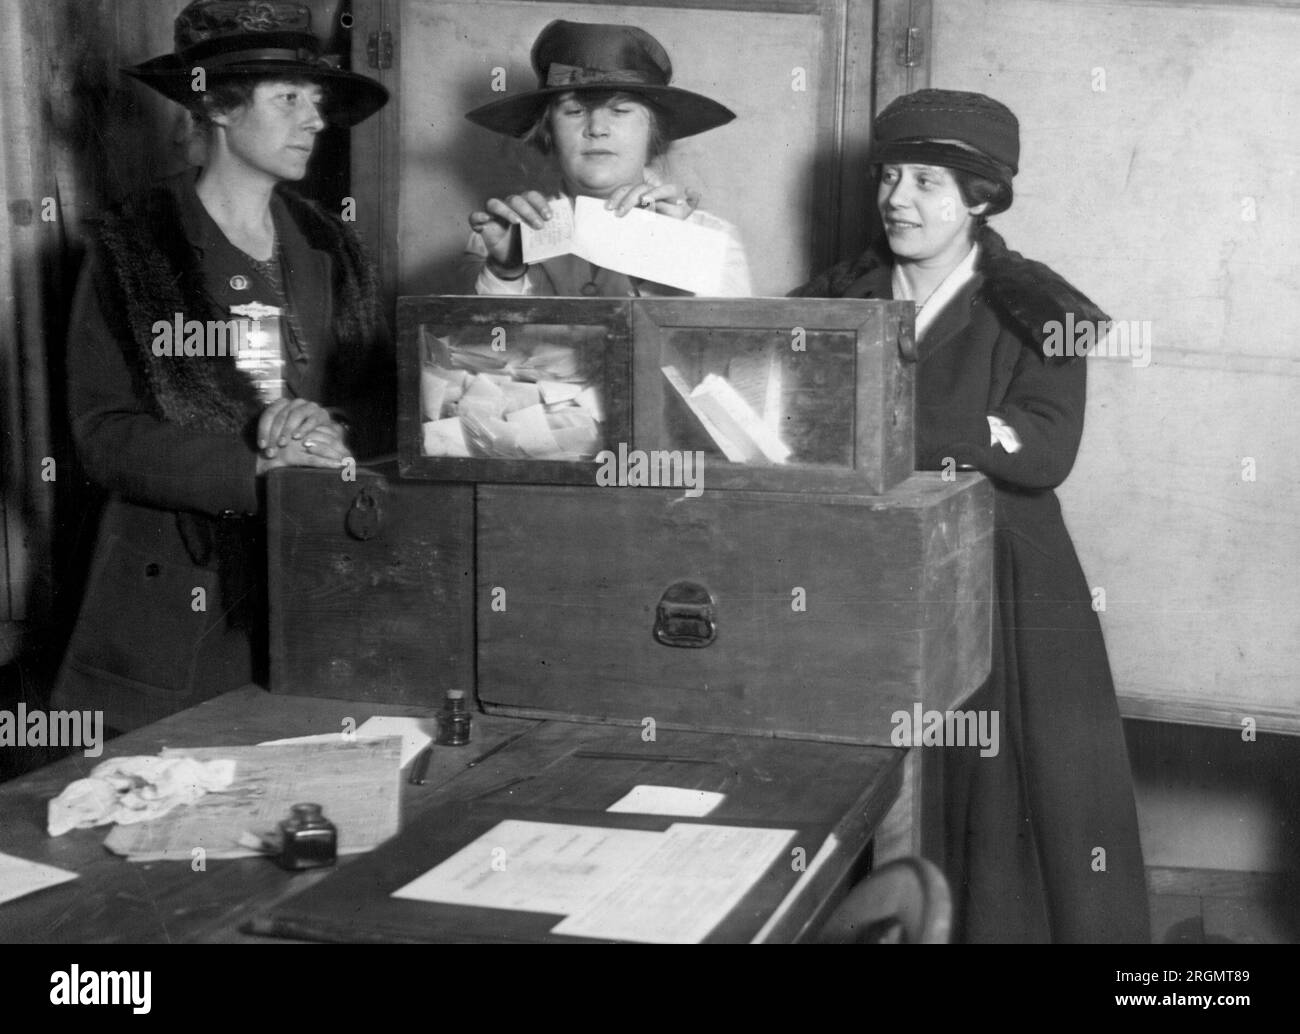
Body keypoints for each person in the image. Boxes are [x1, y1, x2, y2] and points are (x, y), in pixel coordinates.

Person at [793, 89, 1150, 943]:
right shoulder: (838, 297)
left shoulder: (1040, 307)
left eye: (926, 182)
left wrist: (887, 420)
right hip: (868, 565)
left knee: (1010, 792)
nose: (896, 199)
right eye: (889, 176)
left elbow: (1043, 452)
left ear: (981, 198)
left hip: (1004, 578)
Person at [52, 0, 393, 732]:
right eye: (289, 98)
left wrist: (323, 428)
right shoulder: (131, 248)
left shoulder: (331, 246)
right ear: (217, 107)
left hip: (316, 580)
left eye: (318, 99)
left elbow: (374, 401)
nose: (316, 119)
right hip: (178, 598)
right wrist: (254, 468)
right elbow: (102, 434)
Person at [462, 19, 752, 297]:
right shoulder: (499, 238)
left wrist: (666, 251)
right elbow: (475, 346)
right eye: (574, 111)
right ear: (547, 130)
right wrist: (505, 271)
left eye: (621, 111)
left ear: (654, 132)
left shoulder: (712, 239)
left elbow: (725, 344)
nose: (597, 129)